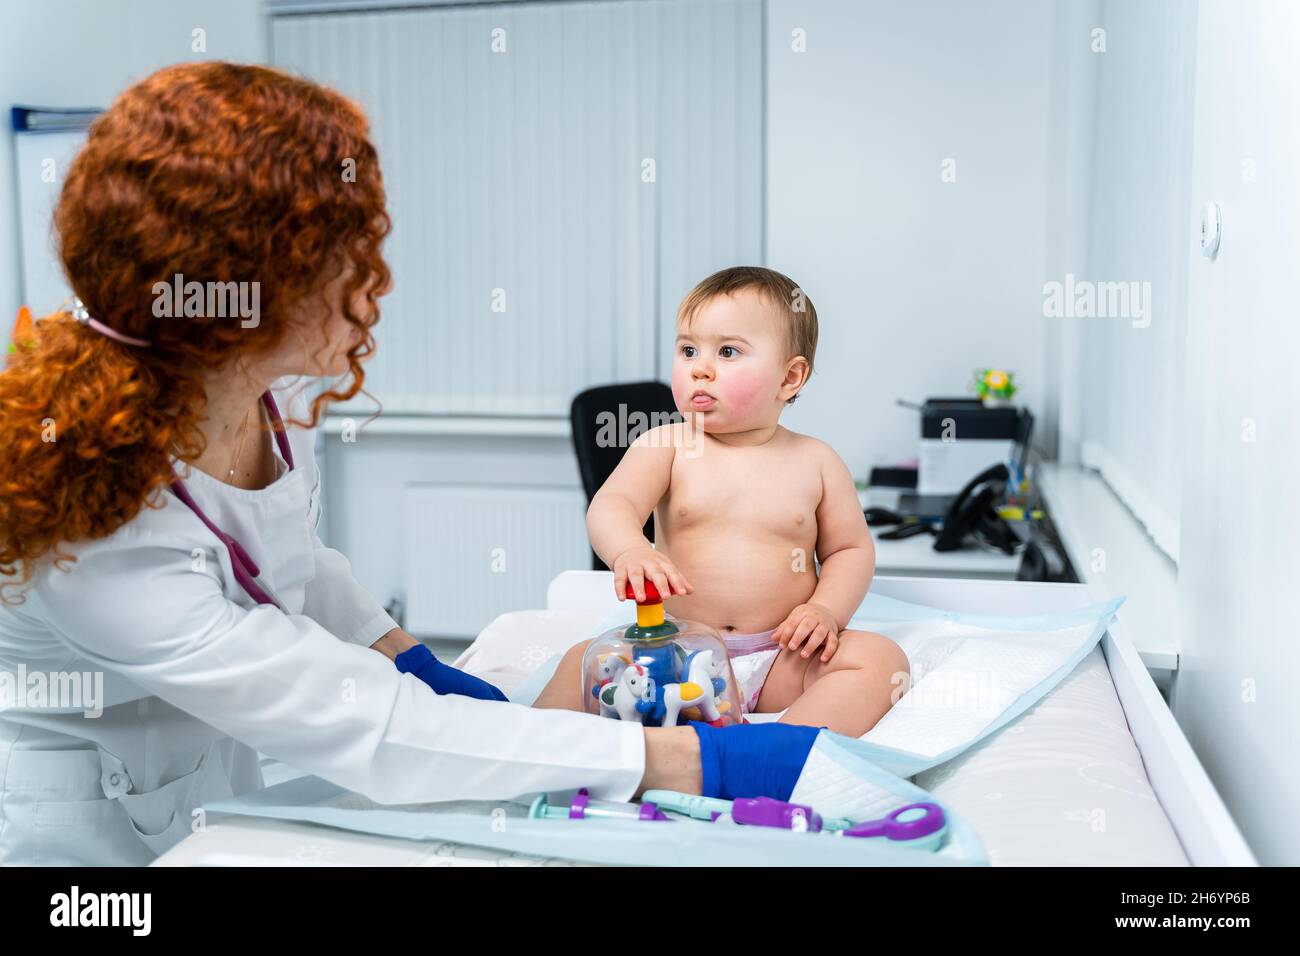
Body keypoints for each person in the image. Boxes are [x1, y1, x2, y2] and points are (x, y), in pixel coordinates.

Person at [0, 62, 816, 866]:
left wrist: (407, 657)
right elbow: (370, 726)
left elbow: (288, 563)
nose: (373, 286)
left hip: (209, 775)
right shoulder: (98, 522)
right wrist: (688, 764)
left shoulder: (264, 394)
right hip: (80, 828)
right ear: (243, 285)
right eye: (341, 257)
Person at [534, 268, 911, 736]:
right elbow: (613, 506)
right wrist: (630, 550)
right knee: (579, 662)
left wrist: (826, 611)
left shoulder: (816, 460)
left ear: (790, 377)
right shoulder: (666, 445)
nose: (700, 367)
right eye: (688, 349)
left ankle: (773, 748)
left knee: (880, 660)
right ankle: (540, 752)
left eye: (727, 352)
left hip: (780, 659)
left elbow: (849, 551)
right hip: (673, 657)